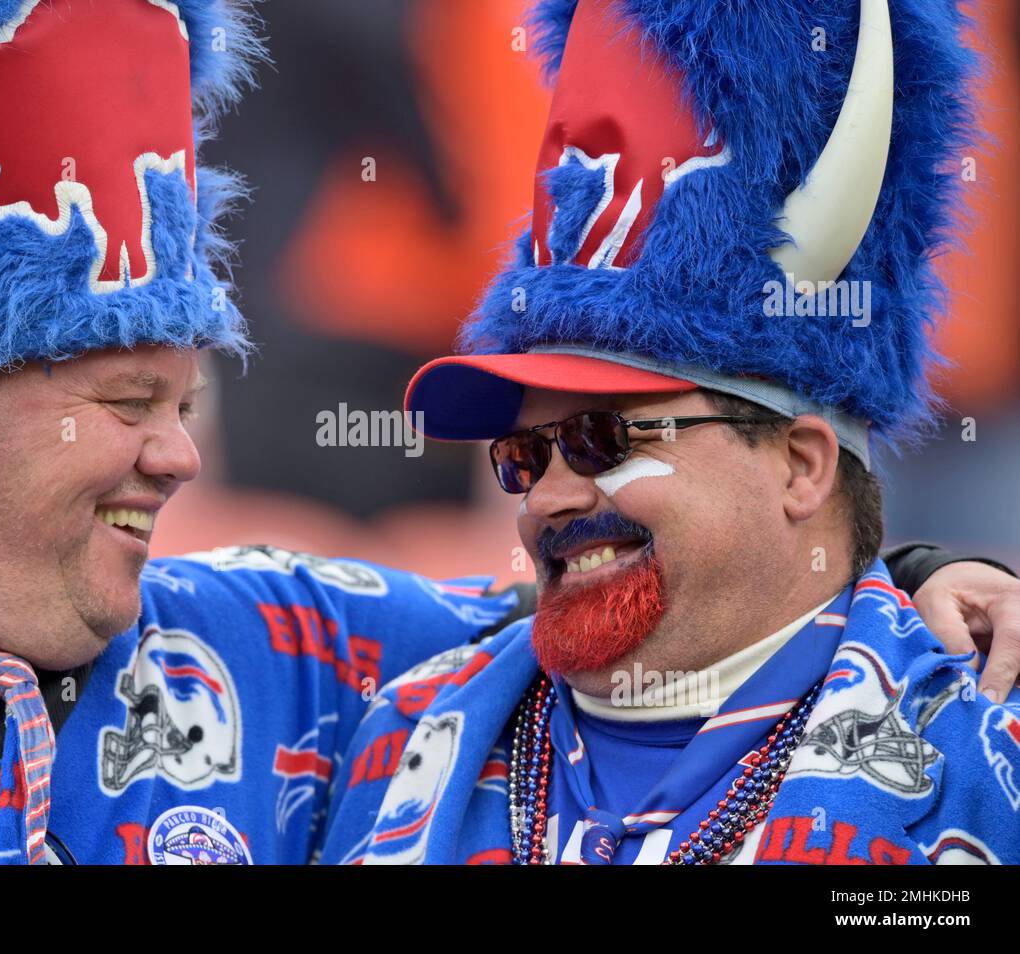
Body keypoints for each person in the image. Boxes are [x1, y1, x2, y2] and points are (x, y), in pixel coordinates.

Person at [0, 0, 1012, 866]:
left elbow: (709, 617)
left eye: (186, 403)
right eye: (525, 453)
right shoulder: (323, 671)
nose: (178, 455)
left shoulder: (318, 659)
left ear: (797, 460)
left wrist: (904, 577)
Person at [320, 0, 1020, 865]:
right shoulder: (379, 693)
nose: (548, 495)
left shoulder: (988, 756)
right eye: (523, 456)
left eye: (602, 441)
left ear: (803, 466)